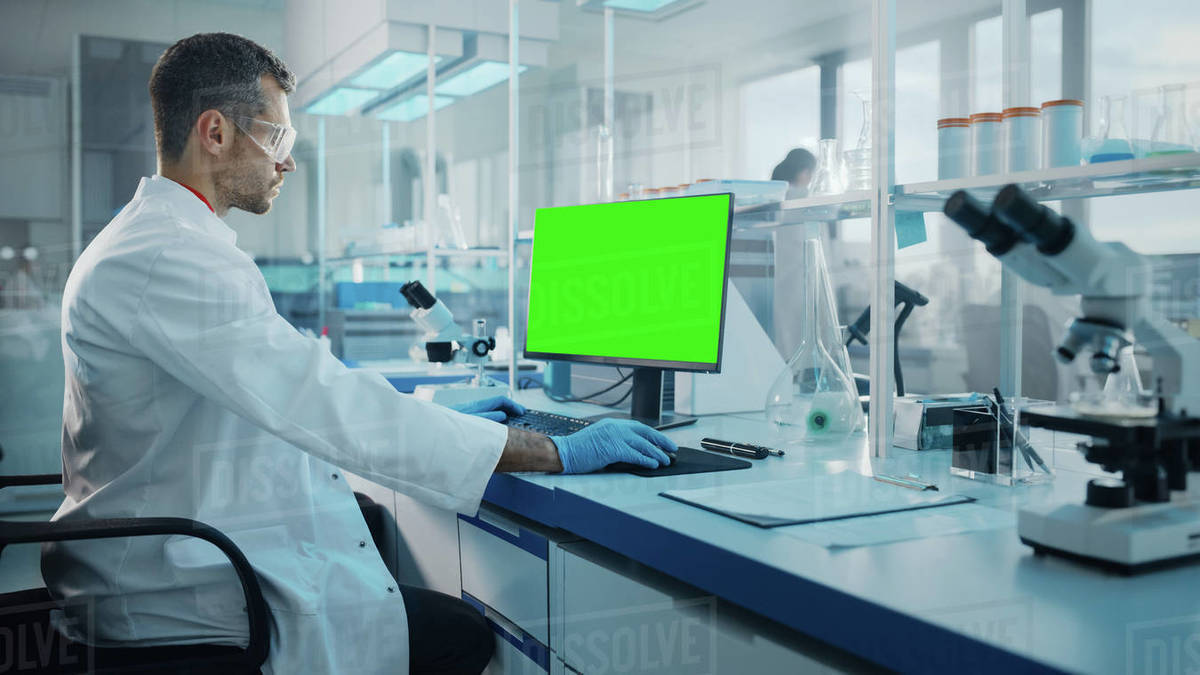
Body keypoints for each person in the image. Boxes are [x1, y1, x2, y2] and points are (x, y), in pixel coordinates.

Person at [41, 33, 675, 675]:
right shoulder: (167, 258)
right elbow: (321, 402)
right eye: (278, 139)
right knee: (460, 634)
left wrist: (441, 419)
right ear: (215, 133)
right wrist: (556, 449)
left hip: (175, 550)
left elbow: (286, 388)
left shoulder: (165, 242)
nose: (287, 163)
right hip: (171, 593)